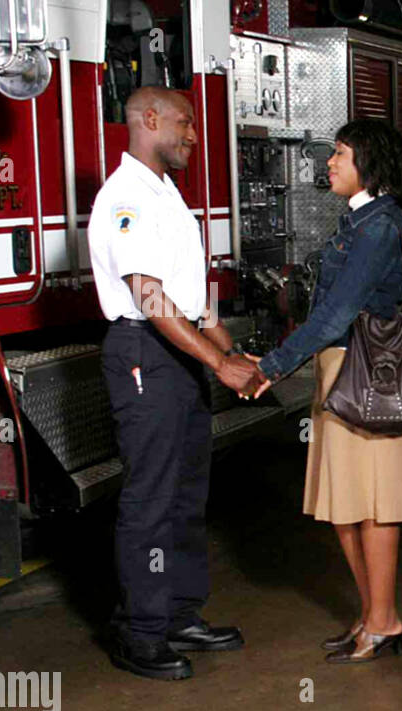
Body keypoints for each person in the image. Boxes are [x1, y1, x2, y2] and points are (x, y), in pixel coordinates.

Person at [88, 86, 265, 681]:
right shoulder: (125, 198)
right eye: (186, 123)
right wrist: (219, 366)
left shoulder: (165, 193)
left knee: (188, 493)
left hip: (179, 353)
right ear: (150, 119)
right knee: (151, 497)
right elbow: (150, 297)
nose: (194, 135)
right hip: (145, 352)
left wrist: (234, 354)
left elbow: (193, 300)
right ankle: (140, 634)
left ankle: (178, 613)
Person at [249, 119, 402, 662]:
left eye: (341, 154)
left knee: (375, 505)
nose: (329, 163)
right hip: (343, 371)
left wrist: (273, 365)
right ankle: (373, 615)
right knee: (349, 505)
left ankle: (384, 620)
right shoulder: (358, 219)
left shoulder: (377, 226)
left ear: (369, 165)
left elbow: (336, 314)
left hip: (366, 373)